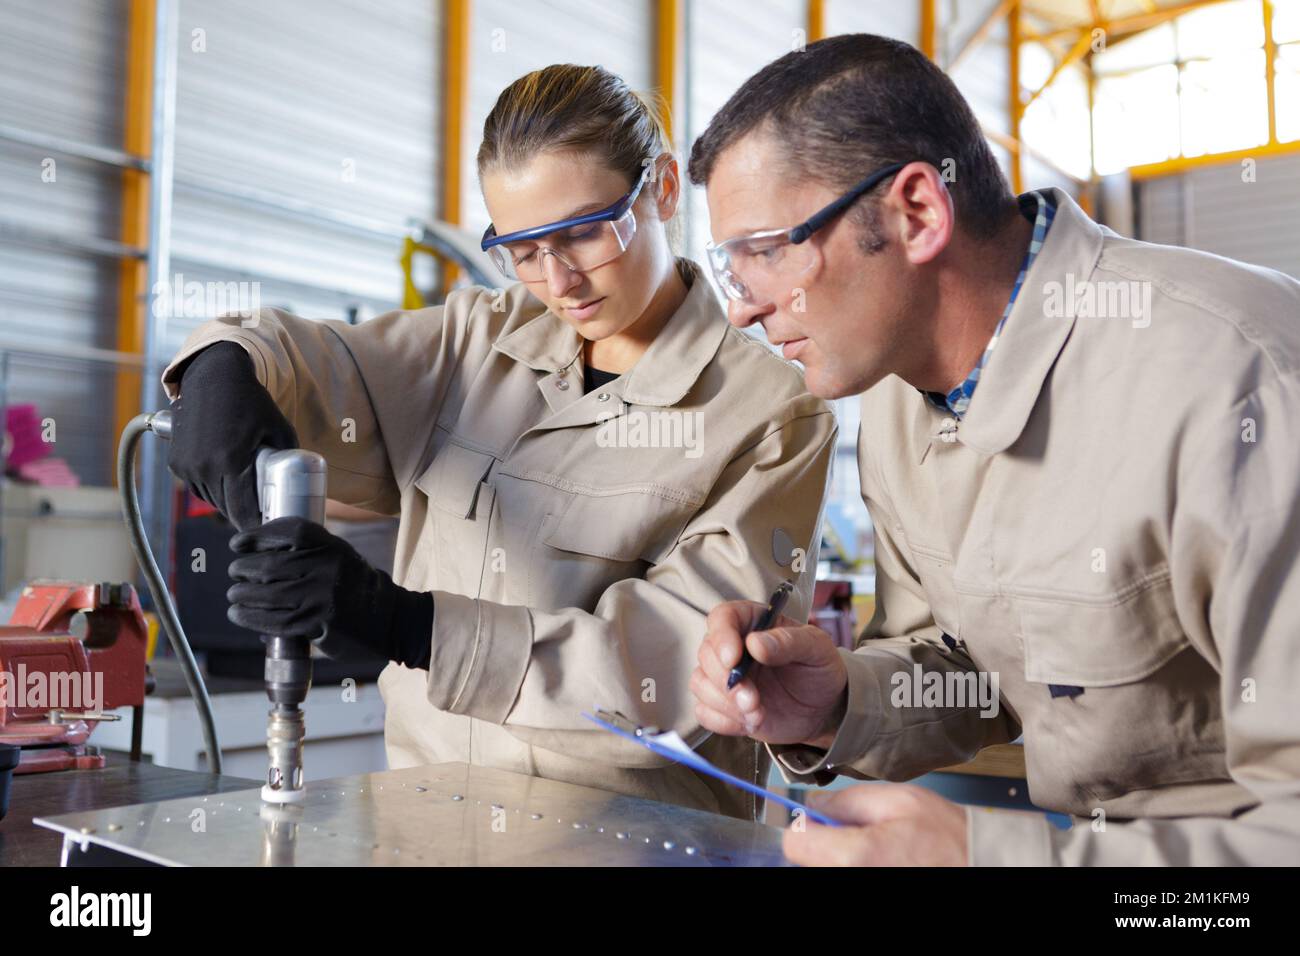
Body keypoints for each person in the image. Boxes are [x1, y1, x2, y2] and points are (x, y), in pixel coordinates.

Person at [162, 64, 836, 819]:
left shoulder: (770, 415)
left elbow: (678, 676)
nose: (558, 281)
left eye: (583, 232)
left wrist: (407, 624)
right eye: (522, 246)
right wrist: (222, 362)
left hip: (629, 842)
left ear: (665, 188)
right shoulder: (472, 344)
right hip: (424, 830)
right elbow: (312, 357)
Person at [687, 33, 1300, 863]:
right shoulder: (903, 410)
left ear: (916, 213)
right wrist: (837, 702)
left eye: (766, 251)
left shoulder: (1238, 380)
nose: (743, 309)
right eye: (733, 267)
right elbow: (979, 669)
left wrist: (998, 861)